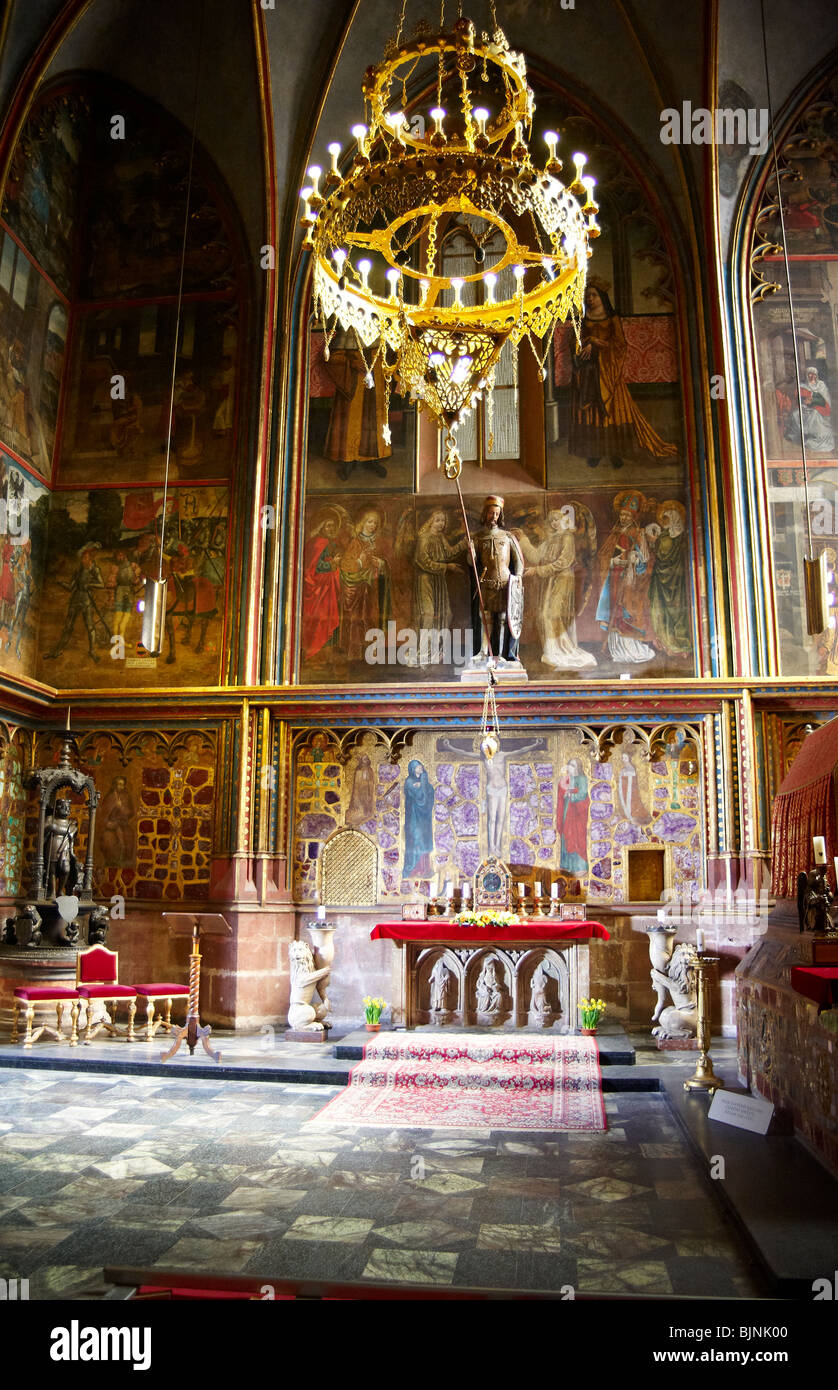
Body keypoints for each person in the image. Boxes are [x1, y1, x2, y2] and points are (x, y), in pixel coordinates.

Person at [568, 280, 678, 467]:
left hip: (608, 372)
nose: (590, 299)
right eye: (588, 295)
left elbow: (620, 345)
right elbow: (575, 342)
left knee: (612, 412)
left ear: (602, 298)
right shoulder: (582, 320)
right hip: (588, 372)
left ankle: (614, 453)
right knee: (593, 412)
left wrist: (597, 342)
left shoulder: (613, 319)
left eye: (594, 295)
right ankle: (594, 452)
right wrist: (587, 341)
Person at [518, 506, 597, 670]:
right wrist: (524, 539)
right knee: (543, 614)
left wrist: (538, 570)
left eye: (557, 519)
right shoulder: (549, 540)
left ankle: (562, 649)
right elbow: (535, 556)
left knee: (552, 613)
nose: (554, 523)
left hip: (562, 579)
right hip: (549, 580)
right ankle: (552, 650)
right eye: (551, 520)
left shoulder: (567, 537)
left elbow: (564, 562)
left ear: (563, 520)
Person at [595, 491, 656, 664]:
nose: (623, 517)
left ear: (633, 517)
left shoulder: (638, 534)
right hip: (613, 578)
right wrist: (612, 560)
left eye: (627, 515)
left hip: (630, 581)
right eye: (622, 514)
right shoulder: (615, 532)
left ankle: (631, 648)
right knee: (614, 609)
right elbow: (603, 555)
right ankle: (617, 649)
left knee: (627, 610)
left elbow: (644, 559)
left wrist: (635, 561)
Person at [324, 328, 391, 481]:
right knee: (350, 419)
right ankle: (348, 459)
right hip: (354, 381)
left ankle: (373, 459)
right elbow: (332, 357)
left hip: (377, 377)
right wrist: (353, 363)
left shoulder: (379, 323)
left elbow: (389, 352)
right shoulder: (348, 325)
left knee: (375, 417)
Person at [468, 495, 524, 666]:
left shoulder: (507, 537)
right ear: (485, 514)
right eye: (491, 513)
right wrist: (471, 551)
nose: (494, 517)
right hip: (486, 581)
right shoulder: (477, 537)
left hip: (505, 583)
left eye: (497, 514)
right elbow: (472, 563)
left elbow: (518, 561)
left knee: (502, 618)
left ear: (500, 516)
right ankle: (484, 652)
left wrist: (519, 577)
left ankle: (499, 654)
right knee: (485, 617)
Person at [411, 510, 467, 666]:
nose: (441, 523)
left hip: (438, 580)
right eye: (437, 520)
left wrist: (463, 544)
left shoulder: (440, 537)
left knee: (446, 614)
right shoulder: (424, 538)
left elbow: (448, 553)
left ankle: (434, 650)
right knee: (428, 615)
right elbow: (423, 562)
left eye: (443, 520)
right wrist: (447, 567)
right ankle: (422, 652)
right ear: (431, 521)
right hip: (426, 580)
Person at [338, 508, 390, 660]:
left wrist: (381, 563)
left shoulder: (380, 543)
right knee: (357, 618)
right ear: (362, 523)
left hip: (374, 588)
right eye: (369, 521)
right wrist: (360, 561)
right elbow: (346, 564)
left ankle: (373, 652)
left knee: (373, 617)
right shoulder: (356, 542)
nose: (372, 525)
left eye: (375, 523)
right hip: (359, 588)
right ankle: (356, 653)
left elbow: (387, 564)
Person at [48, 543, 106, 663]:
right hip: (75, 599)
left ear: (90, 559)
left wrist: (89, 584)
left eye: (85, 558)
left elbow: (101, 584)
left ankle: (92, 651)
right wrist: (60, 583)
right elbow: (71, 587)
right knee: (68, 626)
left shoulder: (94, 569)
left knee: (90, 627)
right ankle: (58, 650)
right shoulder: (79, 570)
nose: (83, 560)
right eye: (83, 558)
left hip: (86, 600)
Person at [648, 500, 690, 656]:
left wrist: (653, 543)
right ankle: (667, 642)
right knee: (665, 610)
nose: (664, 522)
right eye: (663, 519)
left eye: (666, 519)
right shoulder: (673, 536)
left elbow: (663, 555)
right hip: (671, 579)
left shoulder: (667, 537)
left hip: (671, 580)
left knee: (672, 610)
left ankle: (675, 643)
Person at [302, 511, 343, 660]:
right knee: (321, 620)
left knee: (328, 618)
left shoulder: (331, 543)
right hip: (319, 589)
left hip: (328, 587)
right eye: (328, 526)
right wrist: (333, 563)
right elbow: (314, 567)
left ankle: (327, 652)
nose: (332, 529)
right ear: (321, 528)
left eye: (334, 526)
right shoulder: (318, 543)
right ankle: (318, 652)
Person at [784, 364, 834, 453]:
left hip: (819, 409)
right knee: (795, 414)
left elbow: (825, 401)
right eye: (810, 374)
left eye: (814, 374)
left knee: (815, 414)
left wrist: (813, 400)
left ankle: (813, 436)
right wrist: (804, 402)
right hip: (805, 408)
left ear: (816, 375)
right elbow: (798, 399)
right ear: (807, 375)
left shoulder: (821, 385)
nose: (812, 376)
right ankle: (797, 437)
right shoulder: (803, 386)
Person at [556, 758, 589, 875]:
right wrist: (566, 792)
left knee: (576, 837)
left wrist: (572, 793)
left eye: (573, 765)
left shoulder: (582, 778)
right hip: (567, 811)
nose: (571, 767)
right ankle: (567, 866)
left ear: (578, 767)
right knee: (566, 836)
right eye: (569, 765)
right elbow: (562, 791)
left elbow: (583, 794)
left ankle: (579, 867)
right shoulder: (567, 779)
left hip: (577, 814)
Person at [402, 758, 435, 878]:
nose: (420, 768)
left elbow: (430, 792)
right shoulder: (409, 781)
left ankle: (426, 869)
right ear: (412, 769)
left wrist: (423, 784)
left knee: (424, 841)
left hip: (424, 818)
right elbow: (417, 796)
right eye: (418, 767)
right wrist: (422, 786)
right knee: (417, 840)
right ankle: (415, 869)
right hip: (414, 818)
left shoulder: (423, 779)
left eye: (421, 766)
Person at [345, 753, 375, 827]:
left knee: (367, 804)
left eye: (367, 759)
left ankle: (366, 813)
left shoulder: (370, 770)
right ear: (361, 761)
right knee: (359, 804)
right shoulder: (359, 771)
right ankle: (355, 817)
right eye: (364, 759)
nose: (366, 761)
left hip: (367, 791)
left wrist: (370, 792)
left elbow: (371, 782)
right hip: (360, 791)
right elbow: (357, 784)